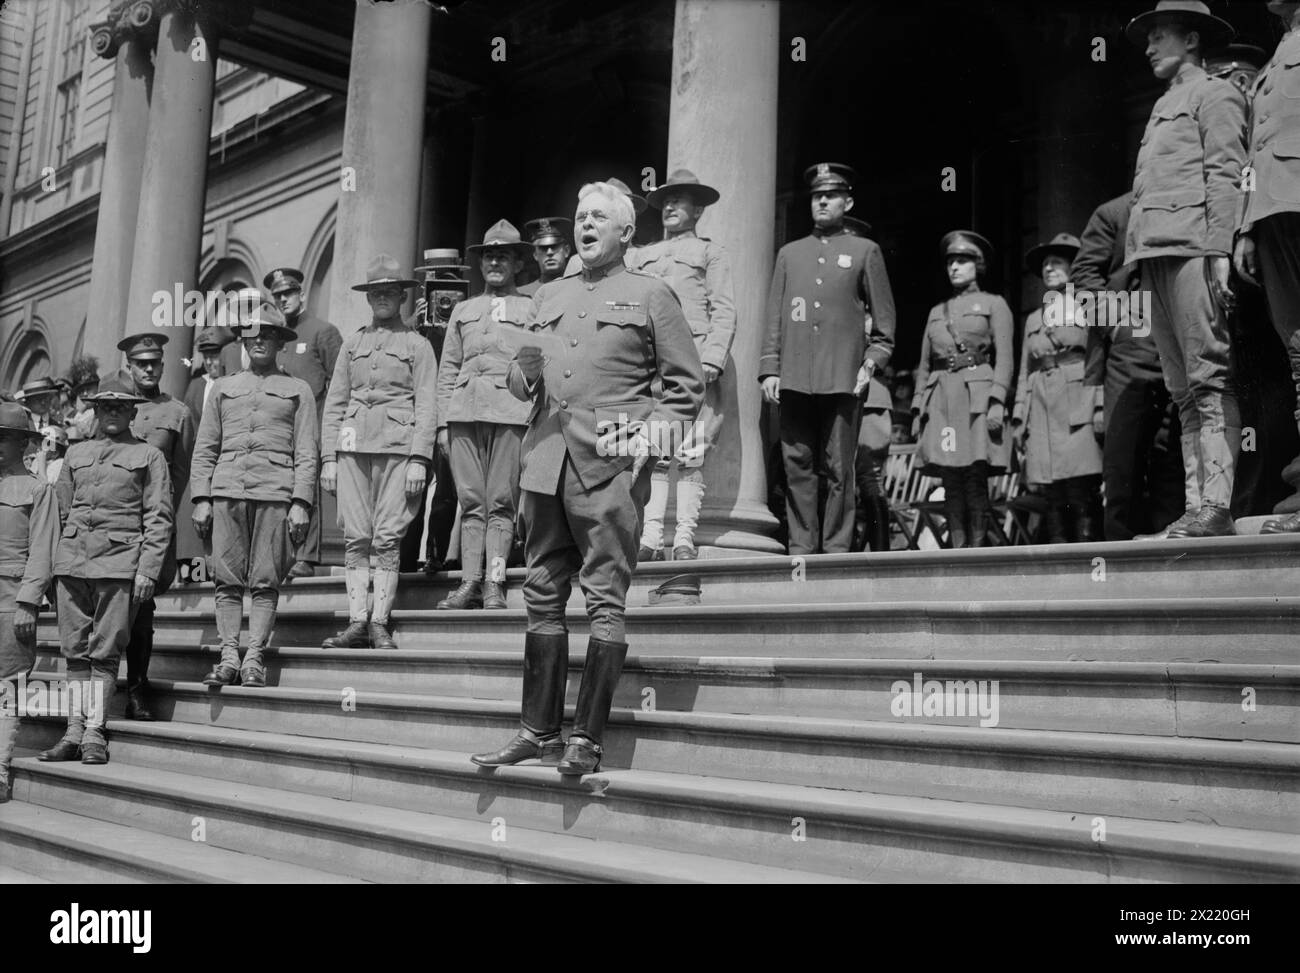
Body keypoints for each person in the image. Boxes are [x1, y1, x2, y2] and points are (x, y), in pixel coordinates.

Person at [471, 181, 704, 776]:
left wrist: (641, 447)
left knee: (604, 595)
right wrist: (523, 372)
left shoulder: (652, 294)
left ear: (626, 232)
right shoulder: (549, 294)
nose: (586, 225)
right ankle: (537, 731)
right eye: (580, 216)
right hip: (546, 461)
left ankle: (586, 739)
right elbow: (528, 389)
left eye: (599, 217)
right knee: (542, 592)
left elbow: (685, 389)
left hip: (608, 467)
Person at [1124, 0, 1247, 538]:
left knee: (1208, 377)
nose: (1149, 47)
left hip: (1195, 249)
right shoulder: (1163, 105)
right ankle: (1199, 506)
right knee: (1181, 389)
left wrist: (1220, 250)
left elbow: (1226, 173)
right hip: (1153, 253)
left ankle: (1215, 504)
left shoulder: (1215, 93)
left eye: (1160, 36)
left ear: (1192, 40)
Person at [760, 162, 896, 555]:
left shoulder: (864, 251)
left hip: (843, 375)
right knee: (796, 464)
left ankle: (836, 549)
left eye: (831, 195)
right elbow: (775, 315)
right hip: (796, 376)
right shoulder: (790, 253)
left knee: (840, 468)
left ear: (847, 201)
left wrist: (871, 363)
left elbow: (885, 322)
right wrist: (770, 368)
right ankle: (801, 546)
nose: (822, 201)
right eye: (817, 195)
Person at [39, 375, 171, 765]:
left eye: (120, 406)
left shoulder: (149, 456)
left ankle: (95, 731)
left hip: (119, 564)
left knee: (106, 651)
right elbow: (58, 515)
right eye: (104, 405)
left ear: (133, 411)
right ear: (94, 410)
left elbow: (159, 518)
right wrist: (51, 570)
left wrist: (147, 569)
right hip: (72, 563)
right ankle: (73, 732)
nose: (111, 411)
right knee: (75, 652)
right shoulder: (75, 455)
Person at [191, 304, 318, 687]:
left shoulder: (298, 391)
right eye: (253, 332)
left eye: (269, 334)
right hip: (227, 491)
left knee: (265, 581)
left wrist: (301, 502)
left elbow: (307, 452)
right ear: (243, 338)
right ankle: (229, 656)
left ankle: (254, 659)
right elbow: (205, 448)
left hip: (275, 494)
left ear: (280, 342)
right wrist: (201, 497)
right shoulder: (224, 388)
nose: (260, 338)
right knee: (227, 581)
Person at [320, 254, 438, 650]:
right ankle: (356, 622)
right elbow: (335, 404)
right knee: (356, 537)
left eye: (390, 291)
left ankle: (379, 623)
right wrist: (328, 459)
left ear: (402, 297)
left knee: (387, 538)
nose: (383, 298)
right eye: (376, 292)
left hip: (398, 451)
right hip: (352, 450)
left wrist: (420, 458)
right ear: (368, 298)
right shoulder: (352, 345)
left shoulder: (417, 346)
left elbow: (427, 405)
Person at [632, 169, 736, 560]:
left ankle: (684, 538)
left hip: (693, 359)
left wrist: (712, 357)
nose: (671, 207)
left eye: (680, 200)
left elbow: (724, 310)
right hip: (653, 362)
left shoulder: (710, 252)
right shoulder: (642, 256)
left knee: (691, 452)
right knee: (655, 450)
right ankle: (650, 538)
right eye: (666, 201)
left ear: (698, 210)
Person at [435, 220, 534, 610]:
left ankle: (494, 581)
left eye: (503, 256)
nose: (494, 262)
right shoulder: (463, 309)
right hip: (464, 414)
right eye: (489, 256)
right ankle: (468, 582)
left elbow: (534, 365)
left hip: (510, 414)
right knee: (472, 501)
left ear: (517, 264)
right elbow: (448, 369)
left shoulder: (531, 307)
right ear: (480, 263)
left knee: (501, 502)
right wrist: (443, 424)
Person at [1077, 193, 1185, 540]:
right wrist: (1120, 325)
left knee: (1172, 463)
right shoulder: (1112, 212)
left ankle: (1171, 573)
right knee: (1124, 462)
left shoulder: (1184, 200)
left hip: (1180, 339)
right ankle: (1121, 567)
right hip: (1134, 345)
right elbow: (1084, 275)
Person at [1235, 4, 1300, 532]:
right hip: (1271, 215)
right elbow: (1254, 155)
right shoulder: (1277, 55)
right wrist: (1245, 229)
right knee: (1298, 351)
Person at [911, 230, 1013, 548]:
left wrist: (997, 401)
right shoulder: (935, 312)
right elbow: (925, 364)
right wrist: (918, 409)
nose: (954, 267)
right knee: (951, 478)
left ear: (978, 265)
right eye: (951, 262)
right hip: (941, 400)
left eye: (962, 261)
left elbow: (1005, 358)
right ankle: (956, 550)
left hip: (976, 400)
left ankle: (978, 550)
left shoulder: (995, 304)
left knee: (974, 476)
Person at [119, 333, 195, 720]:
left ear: (163, 366)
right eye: (140, 363)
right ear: (128, 366)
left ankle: (136, 691)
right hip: (112, 522)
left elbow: (181, 473)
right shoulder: (113, 407)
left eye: (154, 363)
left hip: (151, 526)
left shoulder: (177, 412)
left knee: (142, 608)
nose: (148, 369)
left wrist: (160, 516)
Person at [1011, 234, 1103, 542]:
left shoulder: (1087, 305)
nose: (1049, 268)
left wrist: (1101, 405)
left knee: (1080, 490)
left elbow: (1099, 356)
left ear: (1074, 266)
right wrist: (1019, 418)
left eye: (1057, 262)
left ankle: (1088, 562)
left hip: (1078, 401)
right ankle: (1060, 569)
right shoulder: (1034, 318)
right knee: (1051, 494)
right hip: (1042, 407)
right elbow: (1026, 371)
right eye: (1046, 264)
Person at [258, 267, 343, 579]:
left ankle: (306, 555)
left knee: (309, 492)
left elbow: (338, 381)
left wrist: (329, 425)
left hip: (314, 424)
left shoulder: (323, 331)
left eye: (288, 293)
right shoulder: (278, 338)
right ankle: (283, 553)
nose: (283, 300)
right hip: (282, 428)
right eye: (277, 296)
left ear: (301, 294)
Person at [0, 402, 58, 802]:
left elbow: (43, 550)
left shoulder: (39, 490)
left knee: (6, 687)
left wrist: (28, 602)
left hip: (11, 599)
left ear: (24, 443)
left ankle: (0, 769)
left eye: (3, 437)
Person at [404, 249, 470, 575]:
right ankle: (405, 559)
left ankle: (437, 554)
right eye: (433, 279)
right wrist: (418, 327)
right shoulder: (415, 325)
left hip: (452, 409)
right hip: (420, 414)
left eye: (447, 279)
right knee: (413, 488)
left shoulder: (467, 315)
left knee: (447, 489)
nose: (440, 288)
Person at [842, 217, 894, 551]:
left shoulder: (869, 297)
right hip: (833, 393)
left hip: (869, 395)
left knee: (868, 475)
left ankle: (880, 552)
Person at [184, 327, 230, 425]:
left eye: (213, 356)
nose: (208, 362)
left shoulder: (236, 382)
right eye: (205, 357)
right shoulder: (196, 386)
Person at [518, 217, 573, 298]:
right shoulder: (522, 295)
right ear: (535, 255)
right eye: (543, 248)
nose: (549, 252)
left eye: (554, 246)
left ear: (566, 251)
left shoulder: (580, 289)